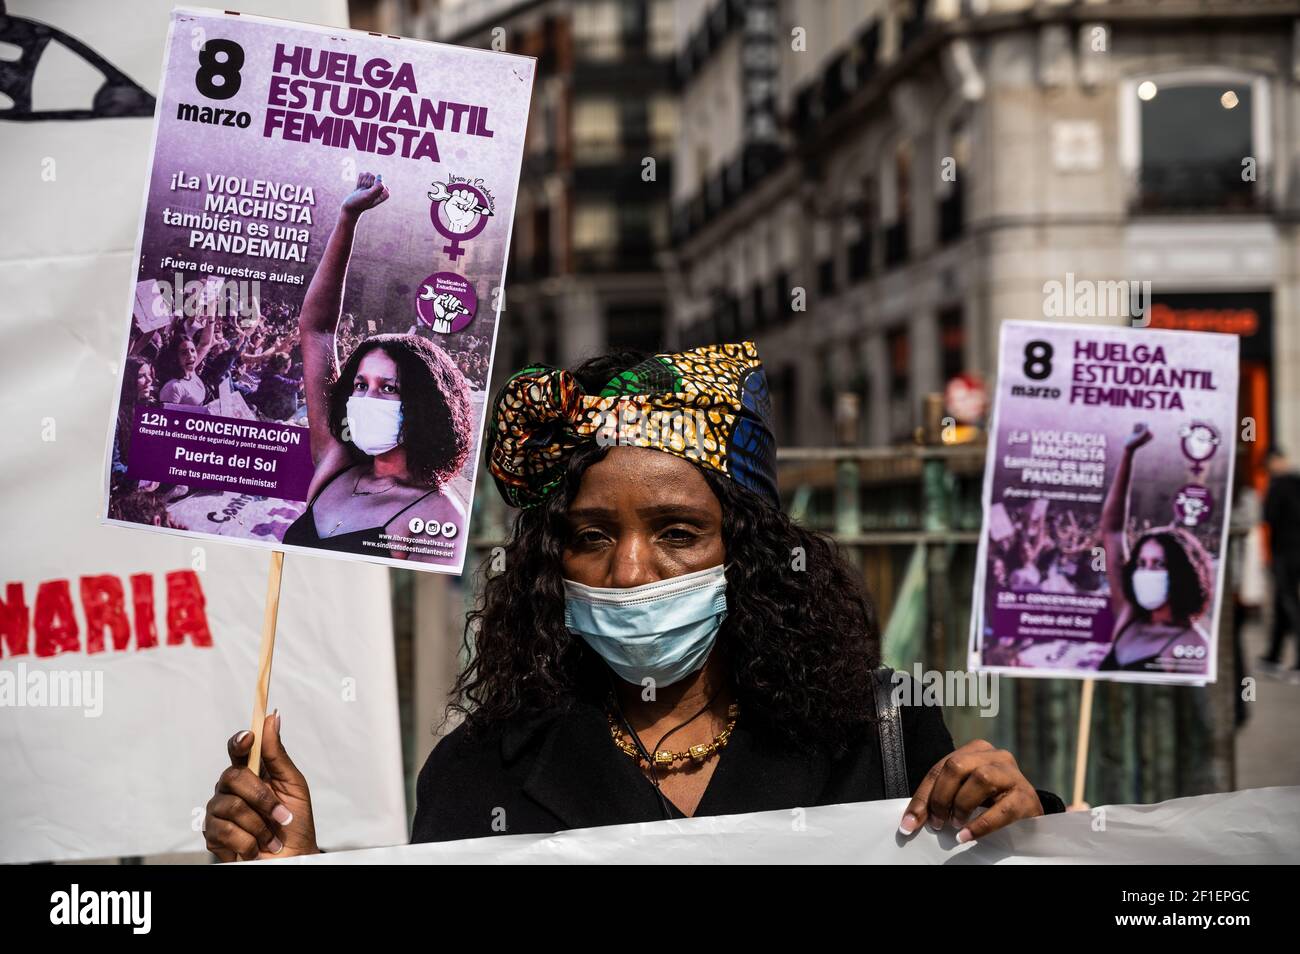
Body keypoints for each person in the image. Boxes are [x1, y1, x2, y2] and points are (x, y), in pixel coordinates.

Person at [203, 342, 1065, 861]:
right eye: (589, 536)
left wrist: (1026, 829)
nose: (630, 571)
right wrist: (302, 871)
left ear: (751, 553)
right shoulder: (481, 775)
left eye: (679, 531)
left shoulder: (879, 741)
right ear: (551, 565)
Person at [281, 172, 474, 561]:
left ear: (425, 403)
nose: (368, 397)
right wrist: (347, 219)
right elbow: (316, 329)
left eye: (389, 388)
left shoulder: (440, 516)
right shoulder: (336, 463)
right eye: (359, 384)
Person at [1098, 423, 1215, 673]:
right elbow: (1112, 531)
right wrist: (1128, 454)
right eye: (1142, 564)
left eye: (1158, 564)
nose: (1147, 573)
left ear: (1181, 573)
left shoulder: (1192, 643)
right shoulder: (1129, 617)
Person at [1261, 447, 1300, 677]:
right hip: (1290, 550)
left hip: (1285, 552)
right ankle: (1273, 655)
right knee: (1282, 603)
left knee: (1289, 603)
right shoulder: (1296, 482)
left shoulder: (1278, 486)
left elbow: (1268, 516)